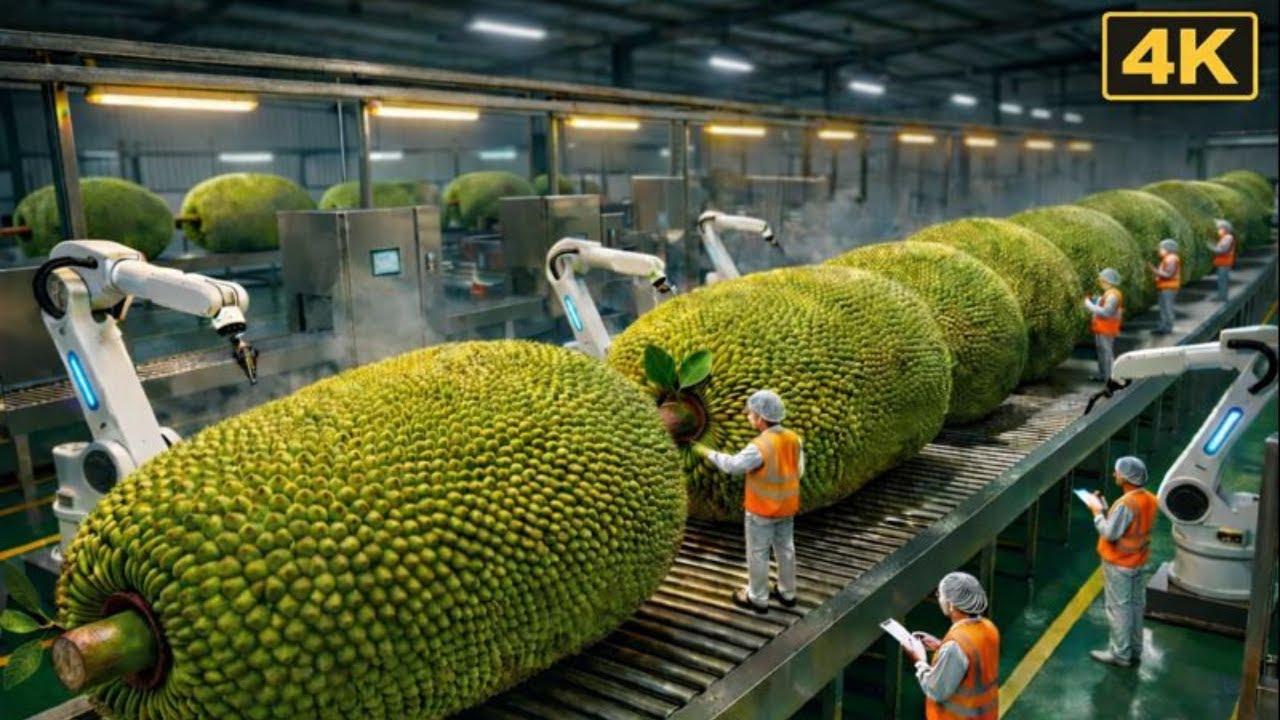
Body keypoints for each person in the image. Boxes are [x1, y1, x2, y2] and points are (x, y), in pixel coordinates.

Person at [692, 390, 803, 613]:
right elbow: (799, 471)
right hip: (787, 506)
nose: (748, 417)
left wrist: (707, 452)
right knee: (786, 550)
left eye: (751, 413)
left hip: (761, 510)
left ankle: (758, 598)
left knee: (758, 554)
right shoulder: (794, 439)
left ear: (760, 418)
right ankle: (787, 593)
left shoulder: (760, 446)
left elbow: (733, 466)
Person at [1090, 456, 1158, 668]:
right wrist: (1105, 508)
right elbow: (1126, 523)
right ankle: (1135, 649)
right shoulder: (1149, 499)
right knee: (1136, 607)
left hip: (1119, 564)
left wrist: (1097, 513)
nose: (1114, 474)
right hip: (1138, 561)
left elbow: (1110, 533)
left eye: (1117, 472)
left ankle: (1120, 654)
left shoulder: (1126, 504)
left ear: (1127, 477)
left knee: (1119, 609)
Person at [910, 572, 1000, 720]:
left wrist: (919, 660)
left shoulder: (955, 646)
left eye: (939, 595)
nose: (938, 598)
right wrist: (940, 646)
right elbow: (972, 658)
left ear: (951, 604)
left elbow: (936, 690)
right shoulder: (989, 627)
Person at [1084, 268, 1123, 382]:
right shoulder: (1109, 293)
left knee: (1106, 353)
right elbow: (1103, 303)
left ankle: (1109, 377)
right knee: (1101, 352)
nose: (1100, 282)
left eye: (1102, 280)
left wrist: (1088, 305)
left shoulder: (1113, 296)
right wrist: (1096, 300)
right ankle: (1103, 374)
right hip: (1101, 328)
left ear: (1107, 281)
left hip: (1107, 329)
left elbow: (1106, 313)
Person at [1149, 239, 1181, 335]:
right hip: (1164, 287)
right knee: (1163, 307)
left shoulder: (1171, 259)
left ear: (1168, 249)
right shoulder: (1168, 258)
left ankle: (1168, 326)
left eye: (1161, 249)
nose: (1159, 251)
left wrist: (1154, 271)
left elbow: (1168, 274)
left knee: (1167, 307)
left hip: (1169, 287)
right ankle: (1163, 326)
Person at [1209, 218, 1236, 302]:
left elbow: (1222, 250)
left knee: (1222, 281)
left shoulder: (1228, 237)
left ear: (1225, 228)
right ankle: (1221, 296)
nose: (1218, 230)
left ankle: (1222, 298)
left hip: (1225, 263)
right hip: (1222, 262)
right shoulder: (1224, 237)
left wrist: (1211, 247)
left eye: (1220, 228)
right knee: (1221, 280)